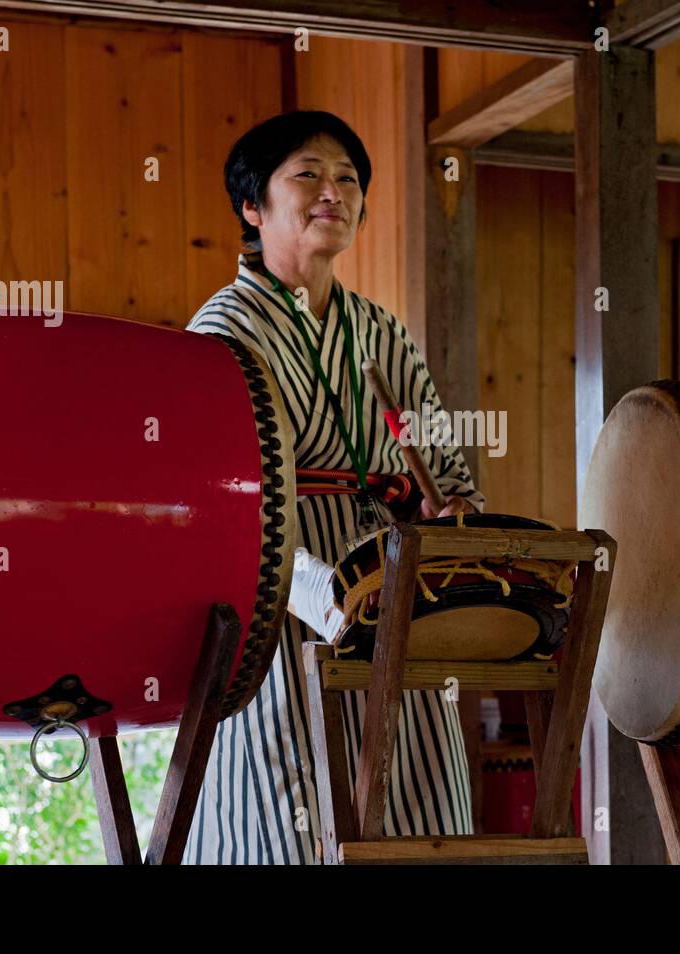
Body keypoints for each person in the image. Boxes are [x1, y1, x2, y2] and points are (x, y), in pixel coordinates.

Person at [183, 110, 484, 864]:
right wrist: (318, 589)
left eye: (348, 179)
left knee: (414, 789)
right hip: (279, 590)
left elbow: (445, 471)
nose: (333, 192)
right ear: (252, 208)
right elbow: (222, 508)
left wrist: (451, 509)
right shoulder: (221, 332)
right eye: (308, 175)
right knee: (286, 797)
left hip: (391, 579)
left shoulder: (382, 332)